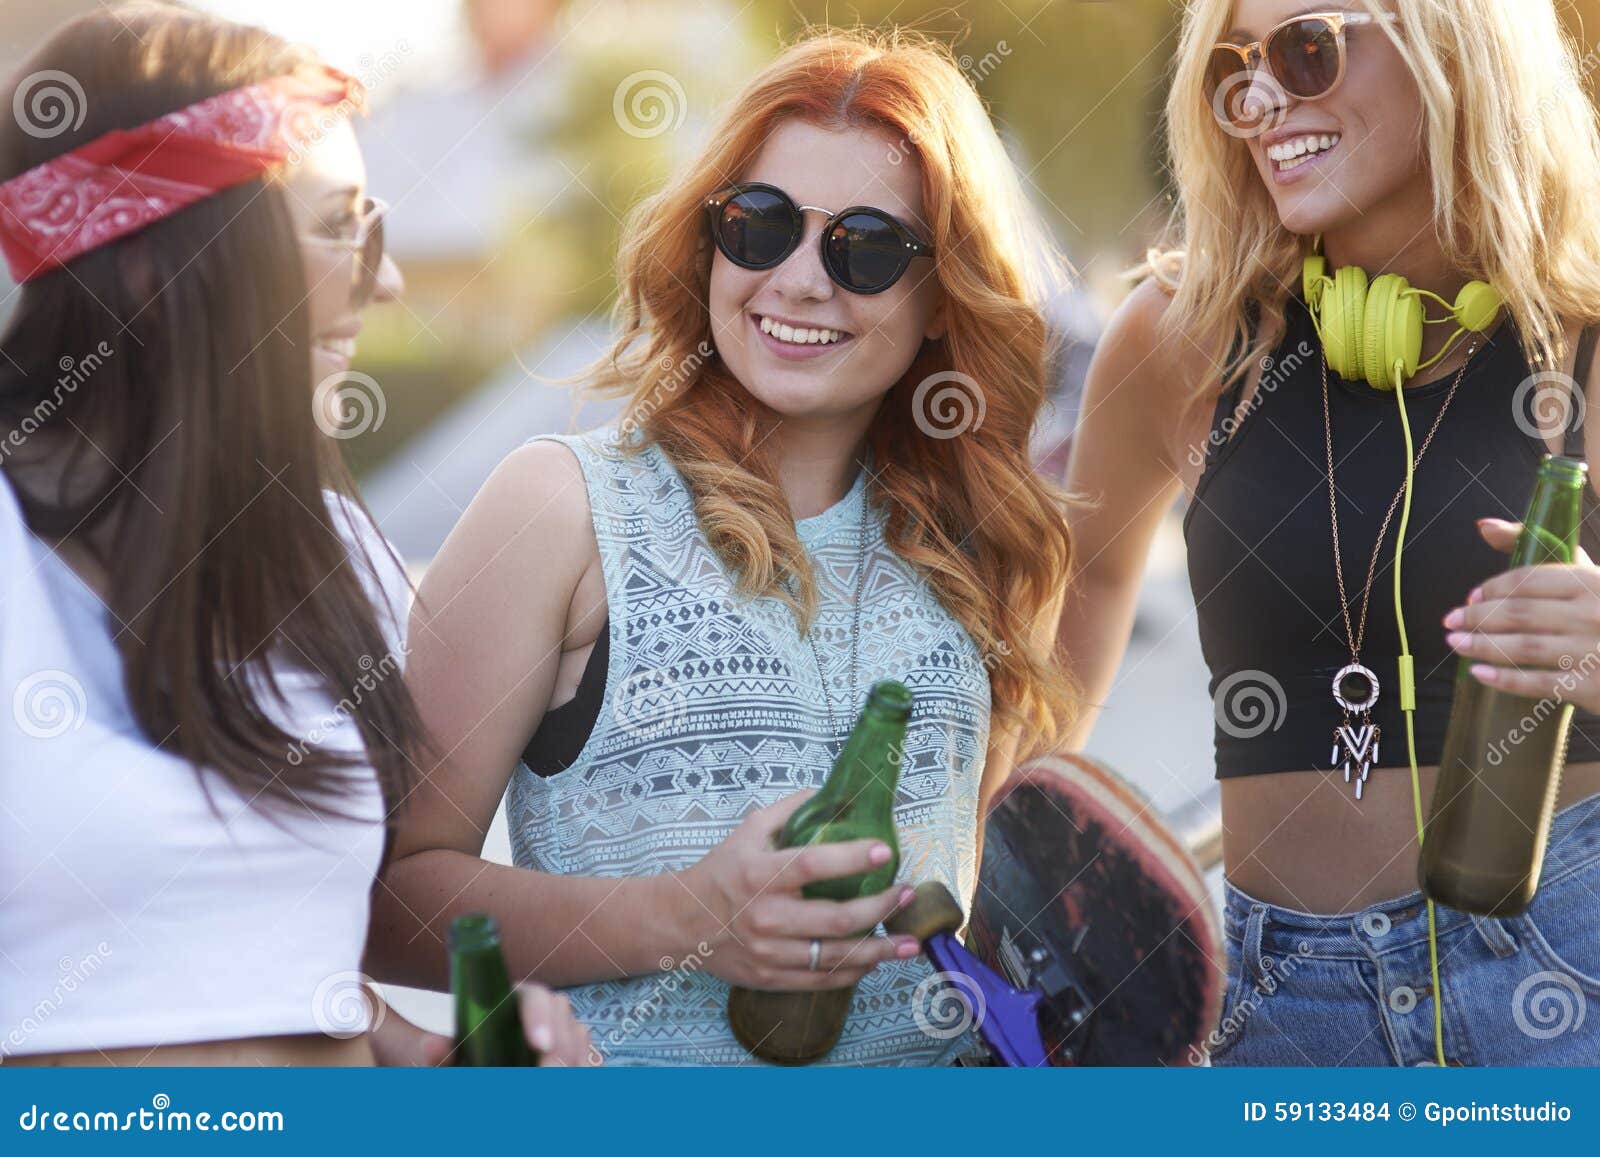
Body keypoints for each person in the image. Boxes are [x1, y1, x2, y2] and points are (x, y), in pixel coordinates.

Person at [371, 28, 1078, 1065]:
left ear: (942, 296)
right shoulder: (561, 508)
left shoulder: (981, 543)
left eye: (867, 246)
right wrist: (689, 914)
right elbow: (381, 896)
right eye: (759, 226)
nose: (796, 279)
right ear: (708, 244)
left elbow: (960, 904)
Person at [0, 2, 591, 1067]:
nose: (391, 278)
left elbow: (303, 980)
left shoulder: (332, 548)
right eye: (339, 226)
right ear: (150, 259)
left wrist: (443, 1060)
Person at [1065, 0, 1600, 1065]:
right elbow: (1047, 651)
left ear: (1454, 44)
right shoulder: (1182, 340)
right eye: (1235, 65)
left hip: (1565, 973)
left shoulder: (1583, 336)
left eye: (1304, 50)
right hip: (1279, 1009)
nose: (1257, 98)